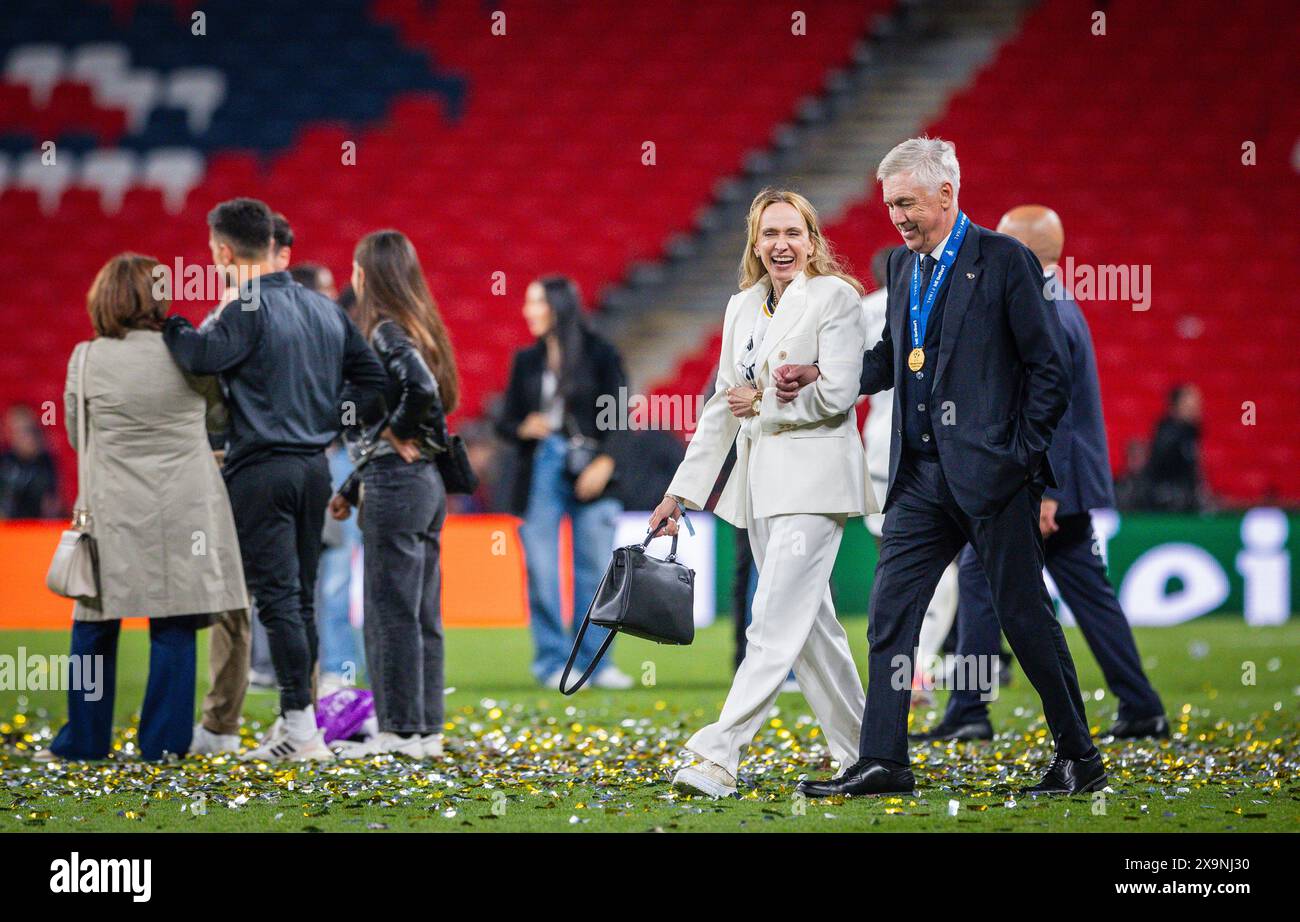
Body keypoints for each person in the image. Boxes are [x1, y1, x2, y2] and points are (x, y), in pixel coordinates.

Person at [782, 138, 1105, 798]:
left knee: (1024, 617)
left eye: (906, 202)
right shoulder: (905, 267)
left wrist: (1019, 458)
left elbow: (1049, 371)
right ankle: (885, 761)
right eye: (889, 205)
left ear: (947, 194)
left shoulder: (1006, 260)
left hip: (993, 477)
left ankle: (1079, 755)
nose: (896, 217)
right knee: (890, 615)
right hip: (920, 479)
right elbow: (889, 360)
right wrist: (823, 372)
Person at [649, 188, 875, 798]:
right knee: (813, 632)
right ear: (755, 242)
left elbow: (840, 395)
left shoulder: (837, 299)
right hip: (761, 489)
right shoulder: (741, 307)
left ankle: (719, 754)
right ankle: (868, 753)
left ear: (812, 240)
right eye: (770, 234)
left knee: (772, 621)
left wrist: (767, 402)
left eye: (793, 233)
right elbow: (722, 411)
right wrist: (681, 494)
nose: (782, 245)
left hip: (816, 484)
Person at [914, 205, 1168, 743]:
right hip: (1062, 484)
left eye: (1002, 245)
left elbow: (1053, 404)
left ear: (1023, 251)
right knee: (1087, 595)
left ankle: (969, 710)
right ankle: (1141, 705)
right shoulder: (1060, 300)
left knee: (982, 584)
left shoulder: (1041, 304)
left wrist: (1048, 494)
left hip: (1045, 487)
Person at [164, 197, 388, 763]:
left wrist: (169, 321)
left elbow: (198, 356)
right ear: (271, 243)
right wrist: (325, 416)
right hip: (313, 468)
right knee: (300, 603)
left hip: (260, 468)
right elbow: (375, 385)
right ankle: (301, 723)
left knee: (279, 603)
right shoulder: (323, 309)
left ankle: (299, 730)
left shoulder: (246, 305)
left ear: (220, 250)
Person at [37, 253, 248, 762]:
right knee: (174, 627)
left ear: (103, 298)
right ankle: (165, 745)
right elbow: (221, 415)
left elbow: (74, 434)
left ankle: (84, 742)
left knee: (93, 626)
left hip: (110, 513)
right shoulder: (188, 354)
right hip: (186, 512)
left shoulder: (85, 359)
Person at [328, 230, 458, 758]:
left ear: (367, 273)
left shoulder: (382, 329)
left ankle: (398, 731)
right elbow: (434, 394)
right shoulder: (419, 325)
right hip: (423, 484)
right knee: (421, 613)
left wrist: (393, 432)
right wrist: (353, 483)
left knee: (388, 613)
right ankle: (423, 730)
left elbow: (420, 392)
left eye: (357, 268)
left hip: (397, 488)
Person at [496, 276, 634, 691]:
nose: (527, 311)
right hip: (540, 465)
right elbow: (503, 422)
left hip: (594, 467)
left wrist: (607, 461)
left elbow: (621, 414)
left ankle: (595, 662)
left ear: (557, 305)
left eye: (534, 302)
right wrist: (523, 426)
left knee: (593, 568)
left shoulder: (601, 354)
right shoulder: (526, 359)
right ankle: (554, 660)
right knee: (541, 568)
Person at [860, 245, 959, 710]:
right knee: (940, 568)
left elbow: (846, 379)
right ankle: (919, 667)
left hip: (880, 448)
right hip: (926, 447)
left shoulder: (864, 310)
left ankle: (899, 665)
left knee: (896, 562)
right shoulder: (939, 300)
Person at [1141, 384, 1206, 512]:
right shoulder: (1167, 434)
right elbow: (1157, 470)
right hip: (1168, 504)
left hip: (1185, 499)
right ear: (1177, 405)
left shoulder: (1190, 432)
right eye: (1190, 403)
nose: (1196, 407)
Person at [0, 405, 61, 518]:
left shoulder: (45, 462)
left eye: (29, 430)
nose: (27, 437)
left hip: (35, 528)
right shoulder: (5, 463)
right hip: (7, 529)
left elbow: (52, 506)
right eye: (19, 431)